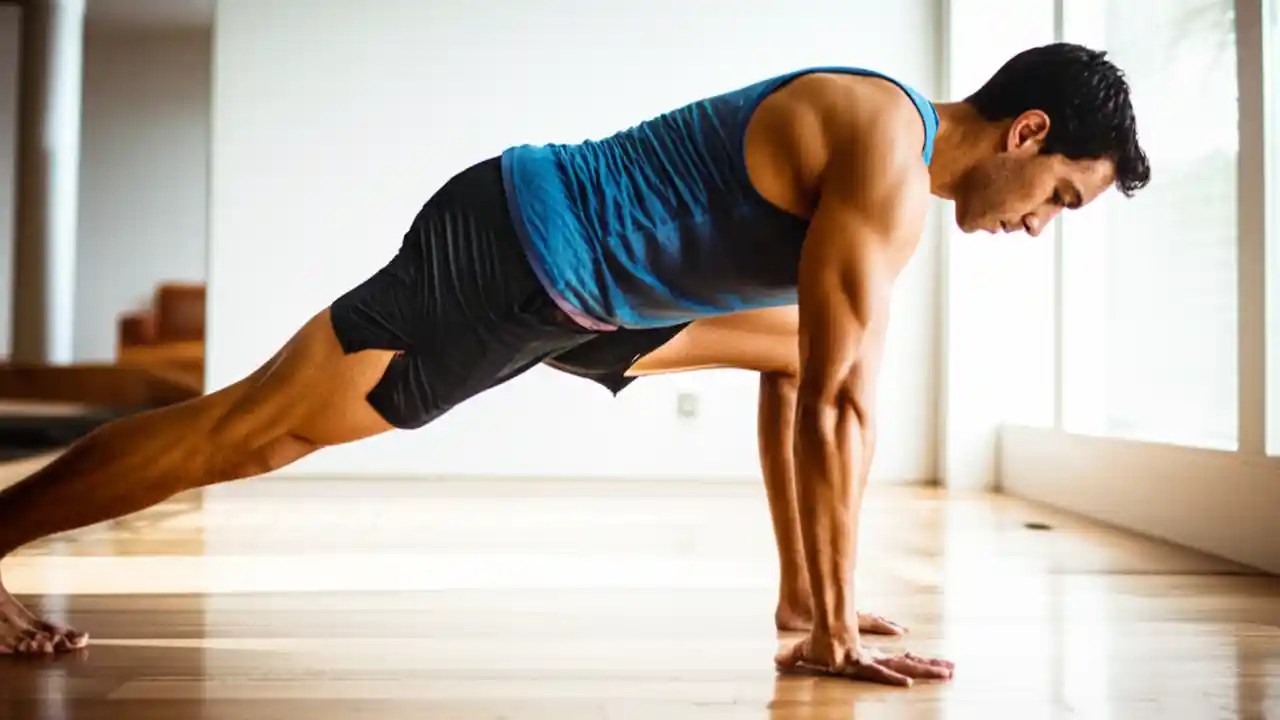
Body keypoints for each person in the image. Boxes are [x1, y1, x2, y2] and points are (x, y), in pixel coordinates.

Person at [0, 41, 1148, 687]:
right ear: (1027, 133)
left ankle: (804, 598)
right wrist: (836, 646)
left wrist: (821, 605)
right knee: (249, 434)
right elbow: (847, 405)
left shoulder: (887, 143)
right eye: (1058, 197)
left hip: (595, 300)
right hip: (516, 253)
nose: (1037, 225)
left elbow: (813, 373)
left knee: (799, 350)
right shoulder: (884, 150)